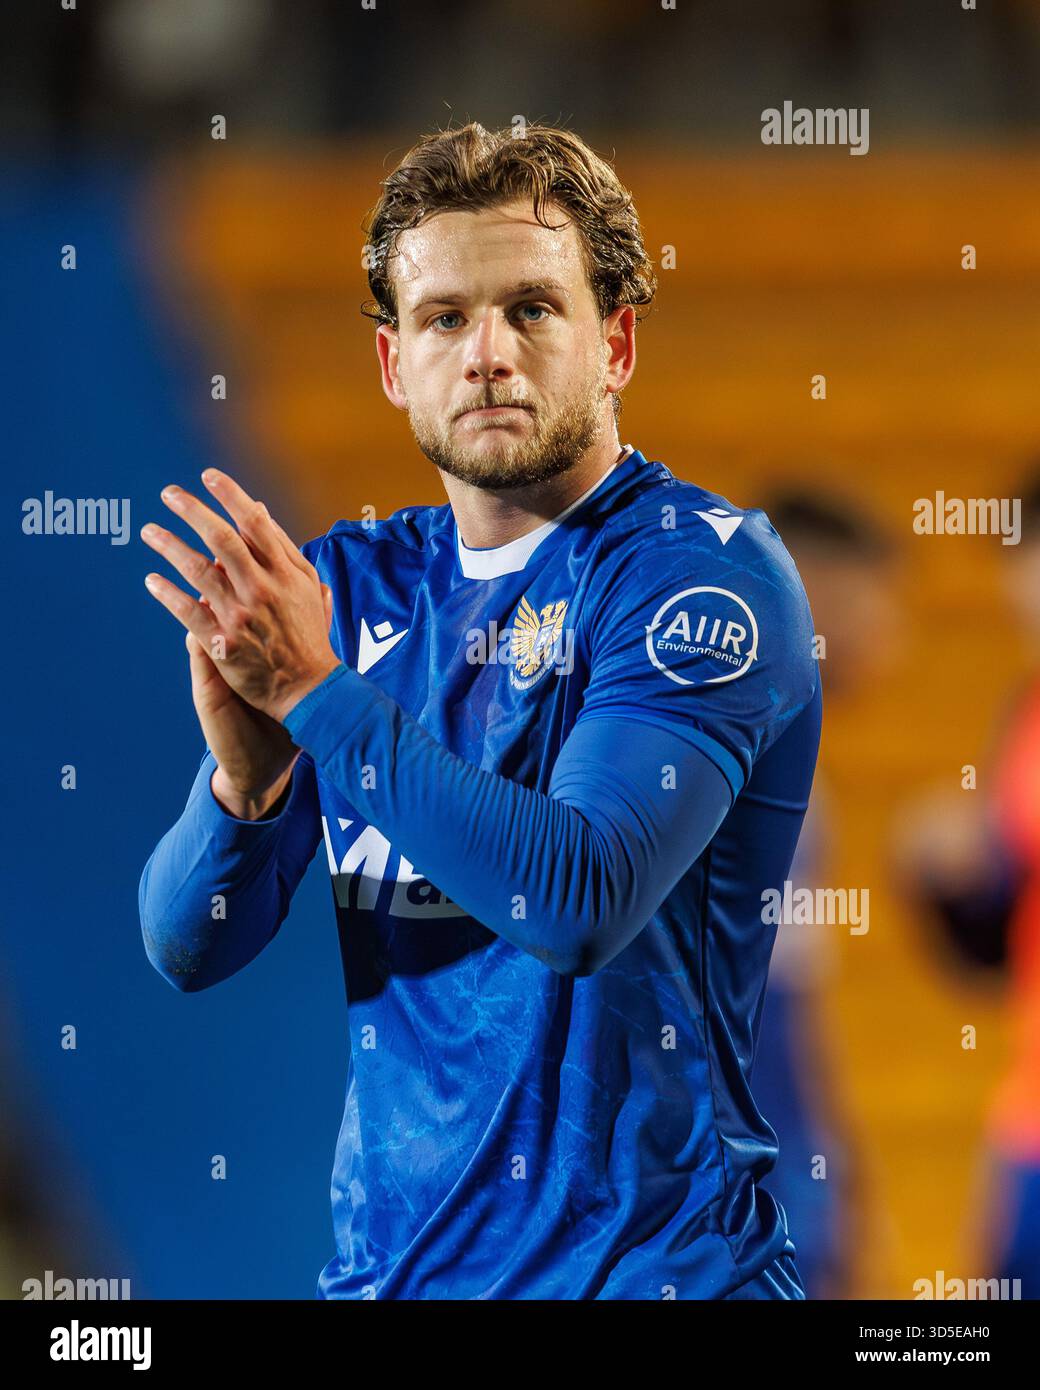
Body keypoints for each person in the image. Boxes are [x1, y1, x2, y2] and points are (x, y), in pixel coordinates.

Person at [138, 122, 822, 1300]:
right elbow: (185, 947)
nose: (488, 353)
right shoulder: (345, 593)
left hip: (653, 1278)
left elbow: (577, 897)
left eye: (531, 309)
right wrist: (243, 793)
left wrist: (316, 700)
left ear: (612, 344)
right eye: (445, 317)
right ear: (394, 363)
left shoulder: (696, 575)